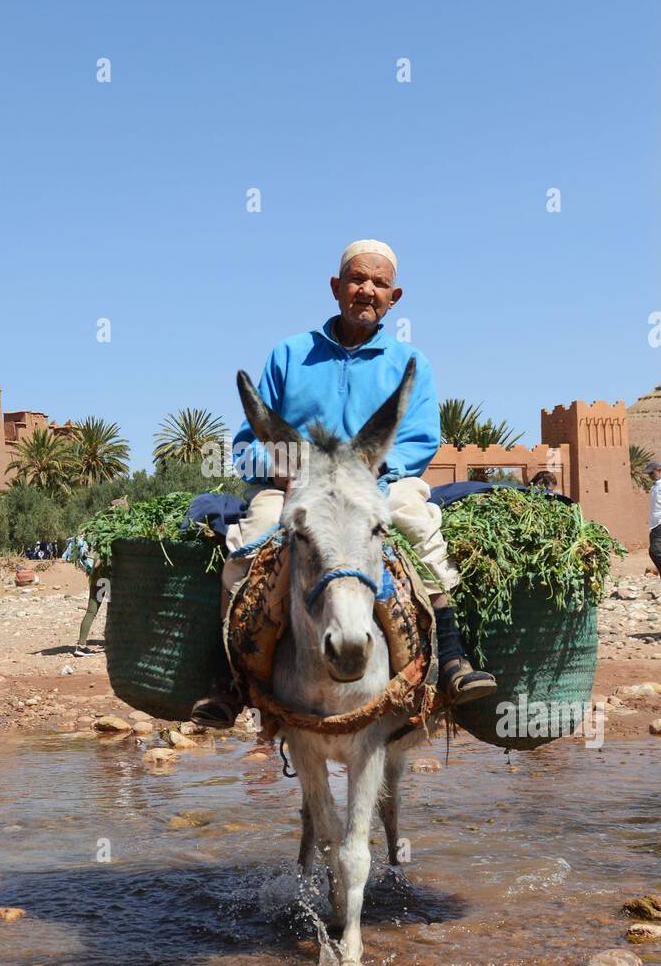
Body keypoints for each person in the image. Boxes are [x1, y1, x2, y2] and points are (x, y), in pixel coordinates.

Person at [191, 237, 496, 725]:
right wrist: (285, 473)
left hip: (377, 482)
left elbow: (418, 439)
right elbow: (248, 444)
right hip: (298, 485)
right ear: (336, 287)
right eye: (357, 279)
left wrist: (363, 477)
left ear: (394, 299)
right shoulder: (289, 355)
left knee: (416, 521)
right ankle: (226, 678)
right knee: (249, 540)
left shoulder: (409, 362)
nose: (367, 290)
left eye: (379, 283)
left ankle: (454, 659)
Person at [62, 535, 106, 656]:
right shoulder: (108, 545)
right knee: (116, 609)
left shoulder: (92, 544)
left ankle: (81, 646)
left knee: (91, 612)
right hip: (106, 581)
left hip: (96, 579)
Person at [648, 461, 661, 576]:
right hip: (654, 524)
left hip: (660, 522)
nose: (650, 476)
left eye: (652, 473)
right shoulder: (655, 487)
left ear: (659, 470)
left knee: (654, 551)